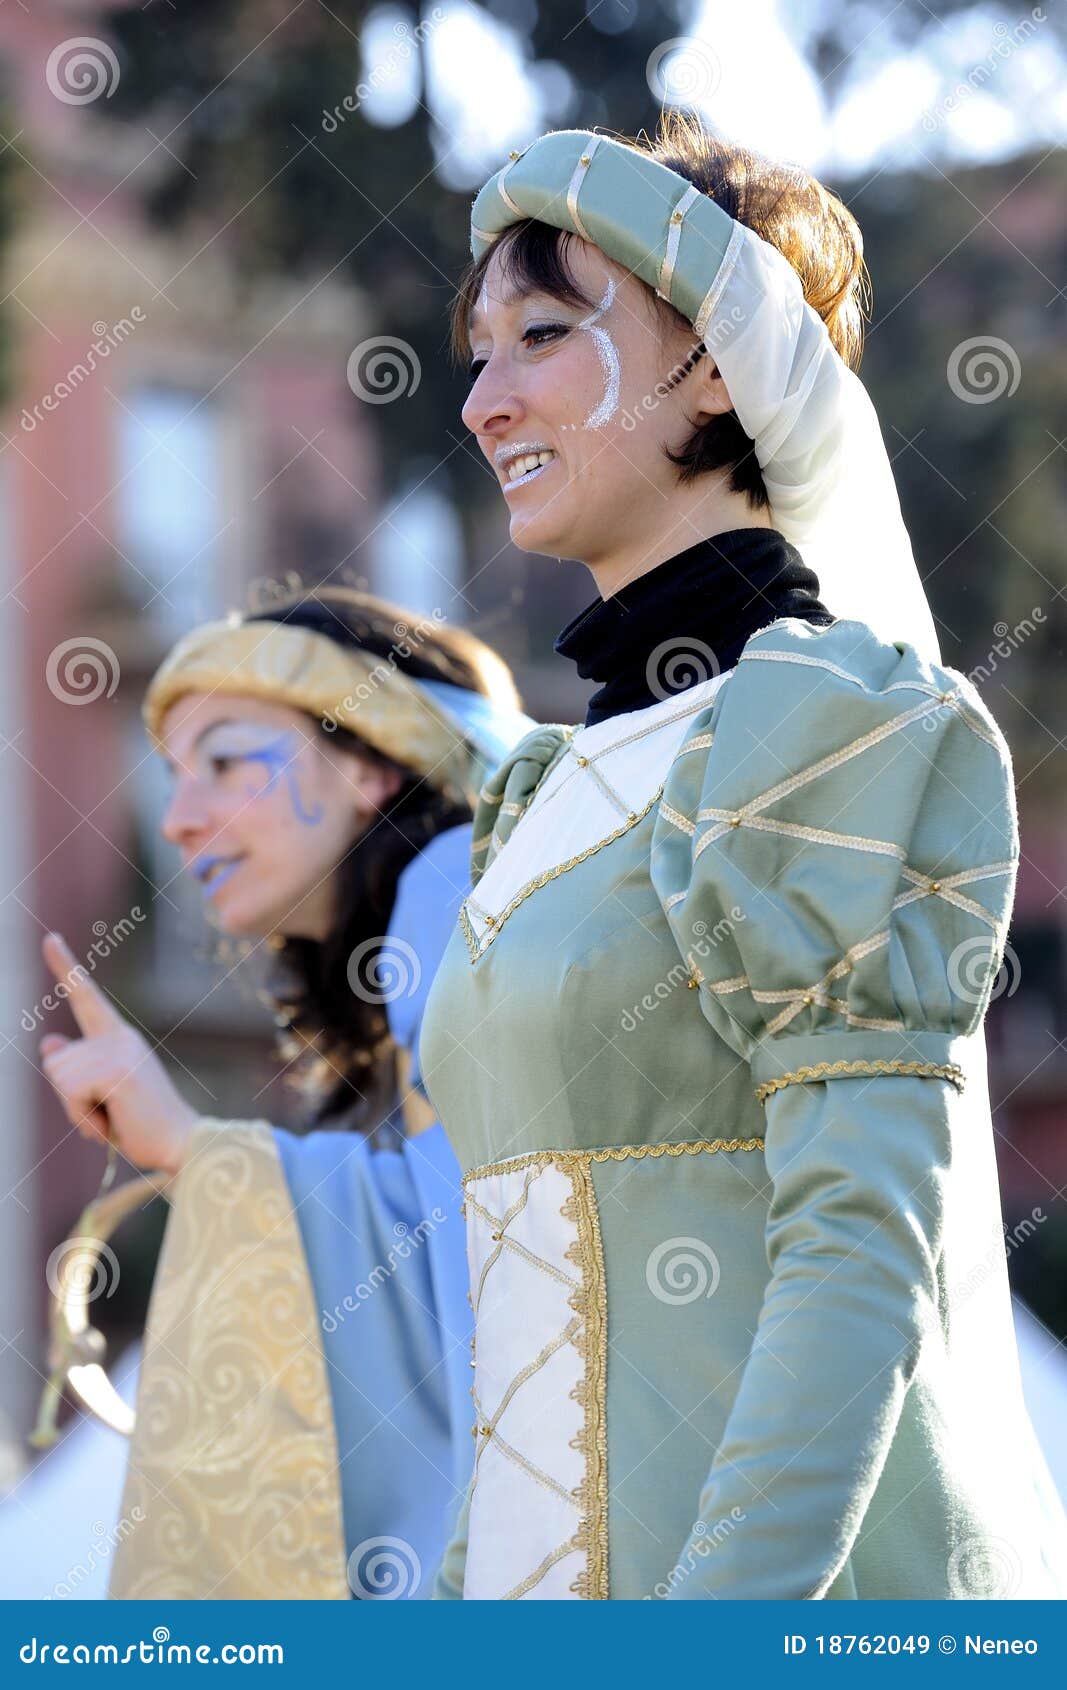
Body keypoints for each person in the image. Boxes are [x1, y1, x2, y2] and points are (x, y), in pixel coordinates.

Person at [416, 117, 1067, 1600]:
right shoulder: (535, 790)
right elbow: (526, 1344)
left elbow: (856, 1257)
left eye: (536, 334)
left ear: (713, 365)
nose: (479, 399)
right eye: (472, 351)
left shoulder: (829, 724)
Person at [38, 585, 534, 1599]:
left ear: (372, 762)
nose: (177, 819)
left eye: (223, 762)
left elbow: (501, 1248)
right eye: (173, 776)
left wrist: (191, 1146)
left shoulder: (451, 883)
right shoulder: (458, 908)